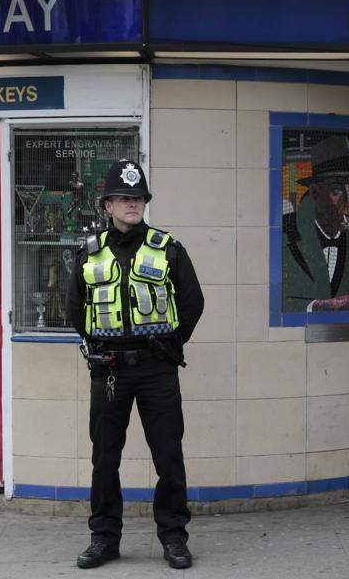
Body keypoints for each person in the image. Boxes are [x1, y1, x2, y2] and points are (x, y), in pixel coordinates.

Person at [67, 159, 204, 570]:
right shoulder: (89, 253)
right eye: (124, 198)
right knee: (105, 457)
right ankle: (104, 538)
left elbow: (193, 303)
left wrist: (168, 345)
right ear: (107, 204)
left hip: (156, 368)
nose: (133, 204)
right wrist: (99, 349)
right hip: (107, 370)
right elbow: (76, 308)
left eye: (139, 198)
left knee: (168, 455)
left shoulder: (168, 249)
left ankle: (174, 538)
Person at [282, 135, 349, 312]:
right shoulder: (286, 231)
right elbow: (271, 299)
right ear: (316, 193)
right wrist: (319, 306)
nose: (348, 202)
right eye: (337, 190)